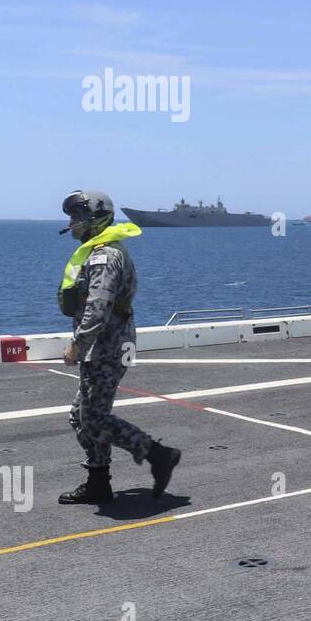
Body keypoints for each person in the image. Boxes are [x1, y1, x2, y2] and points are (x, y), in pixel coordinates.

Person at [56, 190, 181, 504]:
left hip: (106, 348)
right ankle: (99, 481)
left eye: (76, 217)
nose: (71, 223)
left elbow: (97, 309)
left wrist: (76, 344)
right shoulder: (99, 251)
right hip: (105, 346)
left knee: (93, 418)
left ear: (93, 218)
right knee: (81, 417)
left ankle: (157, 454)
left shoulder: (104, 257)